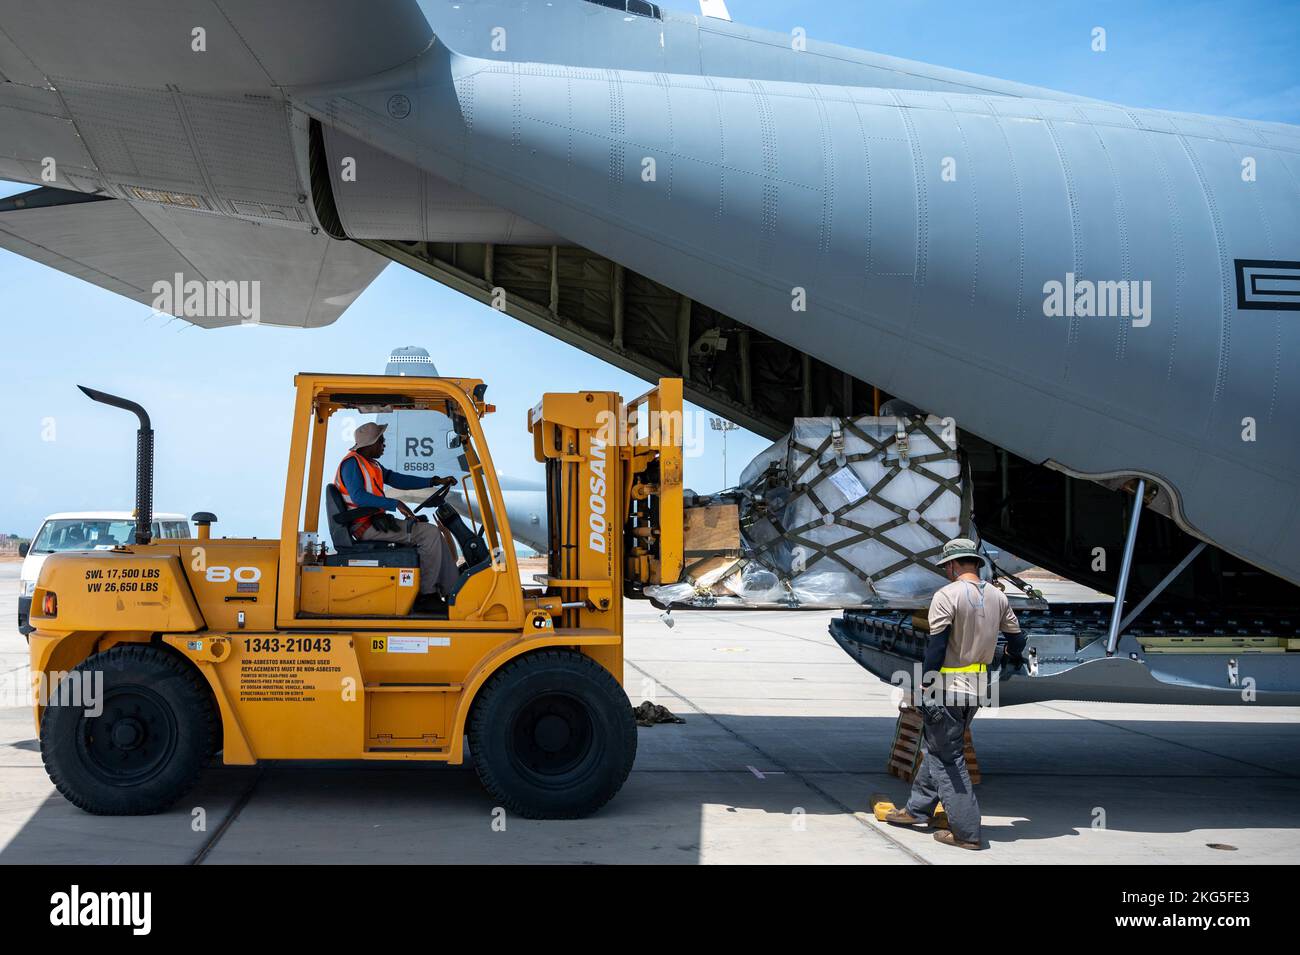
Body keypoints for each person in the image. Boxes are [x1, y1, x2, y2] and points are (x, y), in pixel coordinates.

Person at [884, 538, 1027, 850]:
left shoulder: (946, 595)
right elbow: (1018, 640)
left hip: (946, 689)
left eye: (946, 566)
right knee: (938, 749)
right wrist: (1002, 653)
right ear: (975, 563)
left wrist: (924, 684)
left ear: (952, 565)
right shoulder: (996, 596)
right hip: (977, 689)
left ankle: (966, 832)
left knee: (949, 759)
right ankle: (916, 810)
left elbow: (936, 647)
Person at [335, 421, 460, 612]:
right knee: (429, 534)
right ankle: (427, 596)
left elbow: (398, 479)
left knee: (434, 535)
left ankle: (454, 590)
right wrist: (395, 504)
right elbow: (358, 496)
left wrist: (433, 480)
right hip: (365, 527)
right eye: (381, 441)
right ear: (370, 443)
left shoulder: (371, 464)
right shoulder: (352, 464)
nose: (384, 444)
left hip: (376, 522)